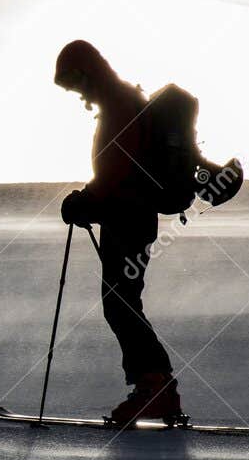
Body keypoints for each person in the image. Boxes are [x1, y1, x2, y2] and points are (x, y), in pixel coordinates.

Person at [52, 39, 200, 426]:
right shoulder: (119, 101)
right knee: (122, 301)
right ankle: (154, 389)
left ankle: (156, 389)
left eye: (72, 81)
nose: (74, 91)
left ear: (87, 71)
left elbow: (117, 169)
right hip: (128, 215)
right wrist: (90, 201)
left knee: (120, 303)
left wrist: (85, 200)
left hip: (128, 217)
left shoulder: (118, 103)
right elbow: (116, 170)